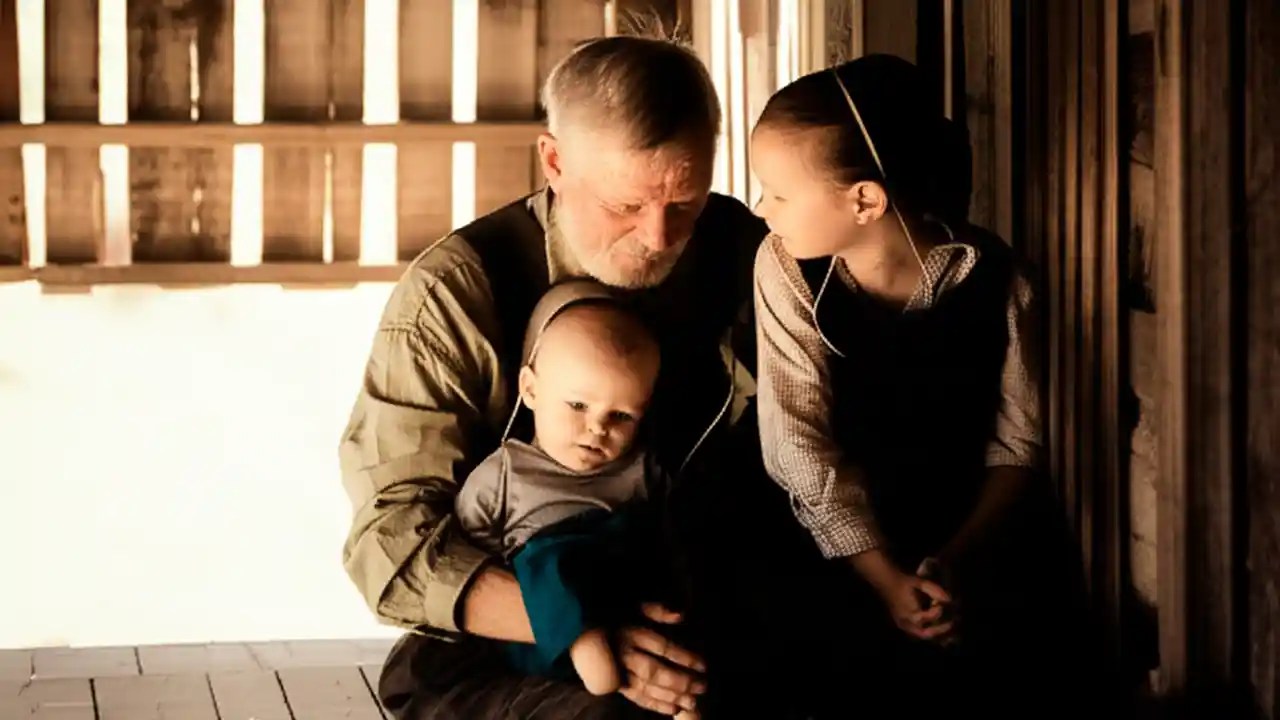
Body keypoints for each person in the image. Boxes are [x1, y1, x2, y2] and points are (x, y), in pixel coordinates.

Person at [338, 34, 768, 720]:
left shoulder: (748, 256)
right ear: (556, 160)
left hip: (701, 606)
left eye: (685, 201)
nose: (659, 237)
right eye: (626, 206)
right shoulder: (454, 296)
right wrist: (582, 626)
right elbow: (392, 547)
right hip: (506, 641)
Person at [748, 54, 1098, 716]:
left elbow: (1018, 444)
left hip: (959, 520)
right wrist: (885, 581)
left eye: (778, 192)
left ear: (864, 200)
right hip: (828, 523)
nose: (761, 208)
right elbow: (797, 447)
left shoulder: (1004, 284)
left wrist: (949, 563)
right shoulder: (785, 267)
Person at [453, 281, 679, 700]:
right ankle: (583, 641)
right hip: (544, 604)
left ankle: (684, 699)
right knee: (546, 561)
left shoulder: (642, 468)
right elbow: (472, 557)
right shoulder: (504, 474)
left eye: (622, 416)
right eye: (578, 406)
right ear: (531, 390)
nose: (598, 428)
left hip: (621, 578)